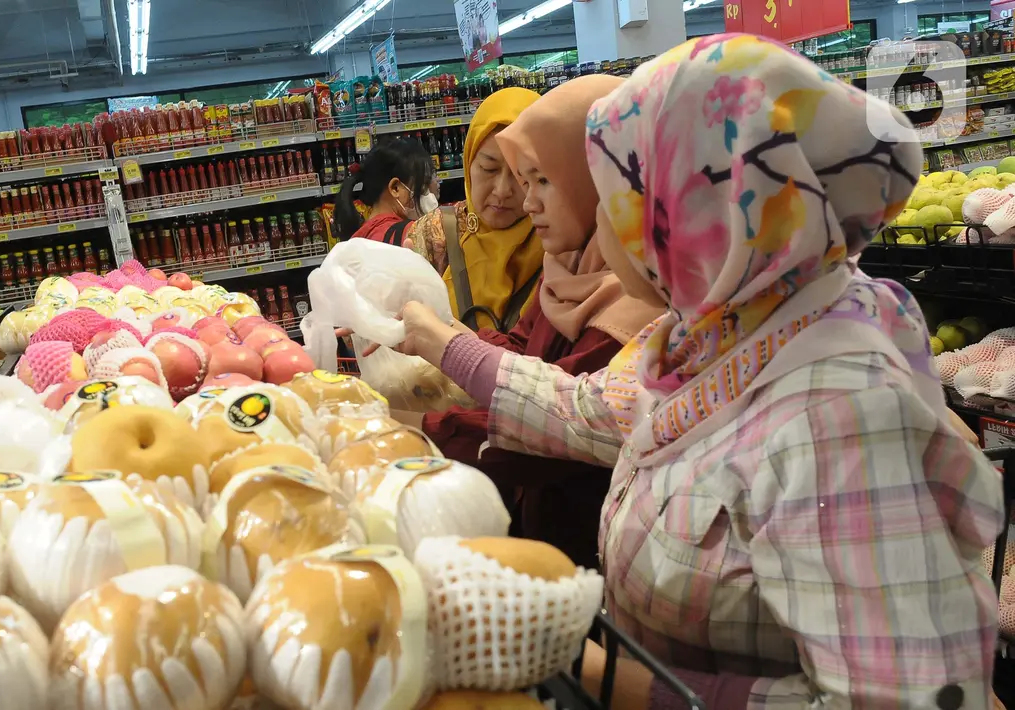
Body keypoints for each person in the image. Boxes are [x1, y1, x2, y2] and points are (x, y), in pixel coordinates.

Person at [390, 35, 1004, 707]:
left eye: (616, 194)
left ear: (688, 212)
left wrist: (602, 673)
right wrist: (444, 346)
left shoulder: (844, 422)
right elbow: (590, 410)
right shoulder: (719, 337)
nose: (602, 220)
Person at [421, 74, 664, 568]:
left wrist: (419, 429)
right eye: (514, 175)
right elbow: (522, 348)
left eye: (542, 179)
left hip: (595, 545)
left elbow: (561, 423)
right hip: (543, 531)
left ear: (598, 177)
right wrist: (438, 333)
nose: (524, 199)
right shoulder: (567, 267)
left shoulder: (639, 298)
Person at [404, 86, 545, 332]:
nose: (502, 190)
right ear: (469, 161)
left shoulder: (557, 241)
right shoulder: (432, 235)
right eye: (489, 169)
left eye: (520, 173)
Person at [331, 137, 438, 247]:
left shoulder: (363, 235)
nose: (428, 194)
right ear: (395, 188)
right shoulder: (409, 234)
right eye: (422, 187)